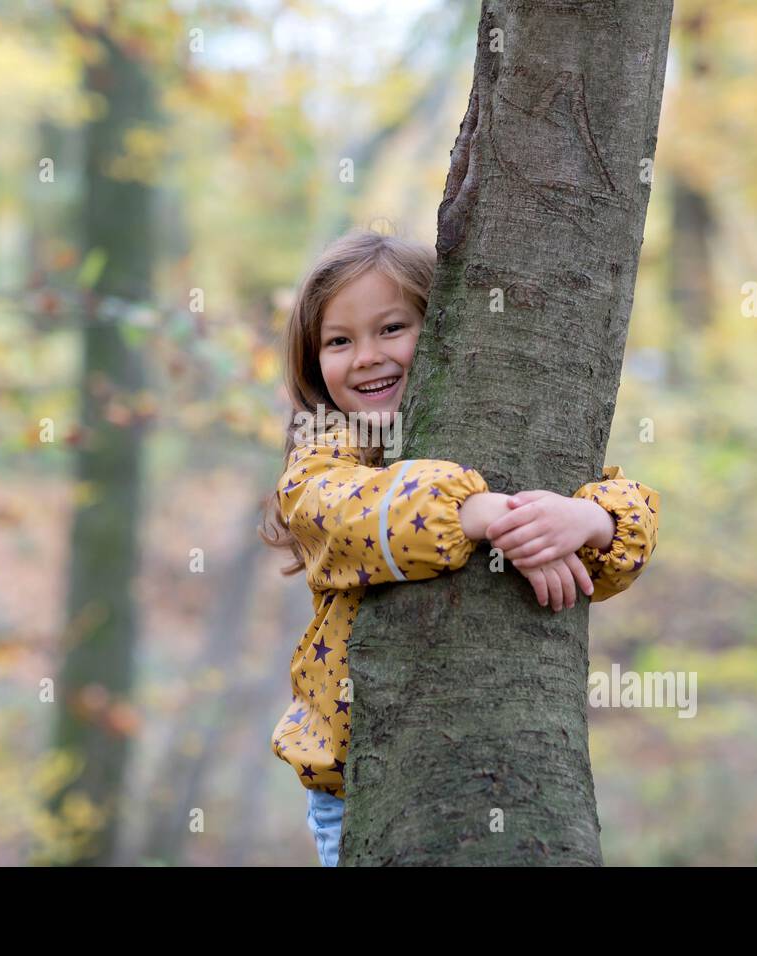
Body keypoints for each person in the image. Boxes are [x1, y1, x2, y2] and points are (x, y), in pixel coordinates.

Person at [257, 229, 661, 866]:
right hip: (358, 787)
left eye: (392, 329)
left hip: (490, 758)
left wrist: (582, 520)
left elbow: (631, 517)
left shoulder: (502, 425)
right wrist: (479, 512)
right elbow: (346, 516)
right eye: (339, 341)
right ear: (314, 362)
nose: (365, 356)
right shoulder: (323, 461)